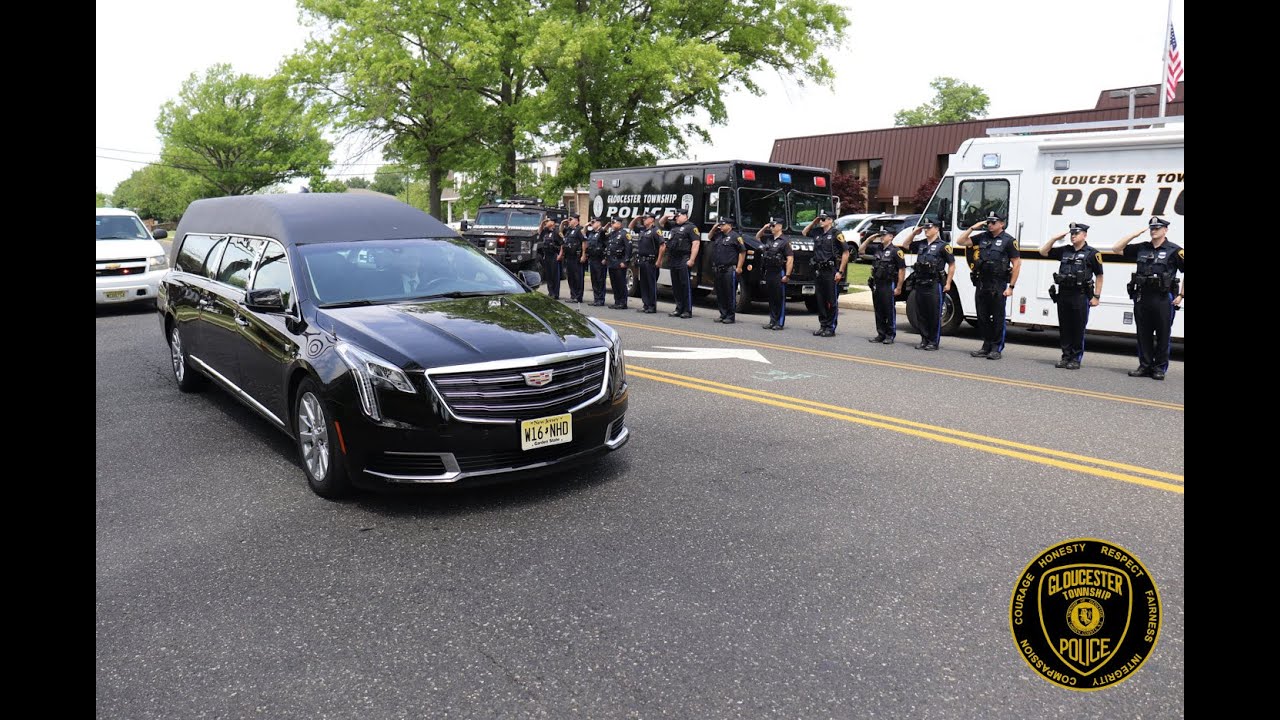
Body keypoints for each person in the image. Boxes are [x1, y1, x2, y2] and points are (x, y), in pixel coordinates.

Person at [1111, 216, 1184, 380]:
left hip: (1163, 298)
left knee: (1163, 335)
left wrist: (1181, 295)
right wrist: (1134, 235)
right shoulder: (1142, 248)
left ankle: (1159, 368)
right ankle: (1144, 366)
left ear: (1165, 230)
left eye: (1157, 228)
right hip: (1142, 297)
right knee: (1143, 334)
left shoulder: (1175, 250)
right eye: (1152, 228)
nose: (1154, 230)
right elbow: (1116, 248)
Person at [1035, 222, 1105, 369]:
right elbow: (1043, 251)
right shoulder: (1064, 251)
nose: (1073, 236)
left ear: (1084, 235)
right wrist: (1054, 238)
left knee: (1078, 328)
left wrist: (1096, 296)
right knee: (1065, 328)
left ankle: (1076, 358)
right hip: (1064, 294)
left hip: (1080, 295)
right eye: (1071, 233)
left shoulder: (1092, 253)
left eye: (1076, 233)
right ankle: (1066, 356)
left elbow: (1099, 275)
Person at [955, 212, 1021, 360]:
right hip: (982, 282)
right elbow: (960, 241)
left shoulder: (1008, 241)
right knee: (982, 317)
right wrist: (973, 227)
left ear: (1002, 224)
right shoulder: (983, 237)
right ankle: (986, 346)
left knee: (998, 318)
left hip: (998, 284)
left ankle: (996, 348)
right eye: (988, 222)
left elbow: (1017, 263)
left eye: (993, 222)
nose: (990, 225)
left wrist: (1011, 287)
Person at [901, 220, 955, 350]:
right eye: (925, 228)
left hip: (934, 283)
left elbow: (952, 265)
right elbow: (905, 244)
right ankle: (924, 339)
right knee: (921, 313)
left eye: (928, 228)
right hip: (920, 282)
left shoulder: (943, 246)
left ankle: (933, 341)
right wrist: (914, 233)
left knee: (933, 313)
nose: (926, 230)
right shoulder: (921, 244)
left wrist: (948, 282)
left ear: (936, 229)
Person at [802, 210, 849, 337]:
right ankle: (823, 326)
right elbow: (804, 232)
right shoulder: (817, 232)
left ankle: (830, 327)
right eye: (820, 219)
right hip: (818, 270)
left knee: (831, 301)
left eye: (824, 219)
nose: (821, 221)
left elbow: (846, 252)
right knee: (820, 300)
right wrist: (814, 222)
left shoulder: (836, 234)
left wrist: (840, 271)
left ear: (830, 220)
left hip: (830, 271)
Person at [861, 226, 906, 344]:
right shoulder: (878, 249)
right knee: (879, 310)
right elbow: (861, 250)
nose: (881, 237)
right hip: (877, 284)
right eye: (881, 235)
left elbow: (902, 270)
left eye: (884, 235)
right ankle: (881, 333)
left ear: (891, 237)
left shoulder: (896, 251)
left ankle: (890, 335)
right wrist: (870, 238)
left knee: (889, 310)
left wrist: (899, 286)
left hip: (888, 284)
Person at [659, 208, 700, 318]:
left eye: (678, 216)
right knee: (676, 286)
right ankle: (678, 308)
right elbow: (661, 223)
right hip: (673, 259)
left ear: (685, 216)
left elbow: (696, 244)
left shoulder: (691, 227)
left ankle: (687, 310)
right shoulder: (674, 226)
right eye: (675, 216)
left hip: (684, 258)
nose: (676, 218)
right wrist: (667, 216)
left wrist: (691, 260)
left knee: (684, 285)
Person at [706, 216, 746, 323]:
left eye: (723, 225)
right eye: (720, 224)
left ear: (730, 225)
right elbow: (710, 237)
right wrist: (714, 229)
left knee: (729, 293)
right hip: (718, 268)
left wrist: (739, 267)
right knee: (720, 293)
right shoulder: (718, 235)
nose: (721, 226)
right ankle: (723, 314)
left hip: (729, 269)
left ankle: (730, 316)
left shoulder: (735, 237)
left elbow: (742, 252)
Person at [756, 218, 794, 330]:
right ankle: (772, 320)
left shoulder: (785, 241)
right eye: (770, 226)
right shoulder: (769, 239)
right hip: (769, 272)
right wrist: (764, 227)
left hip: (779, 272)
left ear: (780, 227)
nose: (771, 228)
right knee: (772, 298)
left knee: (779, 298)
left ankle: (779, 322)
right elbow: (757, 237)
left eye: (773, 226)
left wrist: (787, 275)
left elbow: (790, 259)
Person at [629, 213, 661, 313]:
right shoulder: (643, 229)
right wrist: (635, 219)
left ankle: (652, 306)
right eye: (643, 218)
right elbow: (631, 227)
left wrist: (659, 260)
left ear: (652, 219)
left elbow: (662, 246)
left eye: (646, 218)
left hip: (651, 261)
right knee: (643, 284)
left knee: (651, 284)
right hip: (642, 260)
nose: (644, 220)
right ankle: (645, 304)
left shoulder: (656, 231)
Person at [605, 217, 632, 309]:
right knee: (614, 283)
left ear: (619, 224)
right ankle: (617, 301)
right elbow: (608, 246)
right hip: (612, 262)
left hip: (620, 262)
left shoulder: (625, 234)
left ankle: (623, 302)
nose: (612, 224)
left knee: (621, 283)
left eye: (613, 223)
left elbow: (629, 249)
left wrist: (625, 261)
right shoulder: (612, 234)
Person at [536, 218, 564, 300]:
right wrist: (542, 223)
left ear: (553, 223)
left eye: (548, 221)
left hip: (554, 255)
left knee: (555, 275)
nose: (547, 223)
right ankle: (550, 292)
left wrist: (560, 255)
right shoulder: (546, 231)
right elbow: (539, 232)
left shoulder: (556, 232)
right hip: (547, 255)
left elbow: (562, 244)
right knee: (548, 275)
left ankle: (555, 293)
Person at [561, 214, 586, 303]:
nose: (569, 221)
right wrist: (563, 223)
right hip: (569, 257)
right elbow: (561, 233)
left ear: (576, 220)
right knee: (570, 277)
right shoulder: (568, 230)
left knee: (577, 277)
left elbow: (584, 242)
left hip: (576, 257)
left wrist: (583, 254)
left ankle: (578, 297)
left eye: (571, 219)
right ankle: (573, 295)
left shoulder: (580, 230)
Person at [583, 217, 609, 306]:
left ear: (599, 223)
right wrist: (586, 226)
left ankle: (601, 299)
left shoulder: (602, 233)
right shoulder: (591, 233)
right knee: (594, 279)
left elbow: (606, 246)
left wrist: (605, 258)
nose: (592, 224)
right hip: (592, 259)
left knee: (600, 279)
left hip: (600, 259)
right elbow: (583, 235)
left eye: (593, 222)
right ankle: (596, 298)